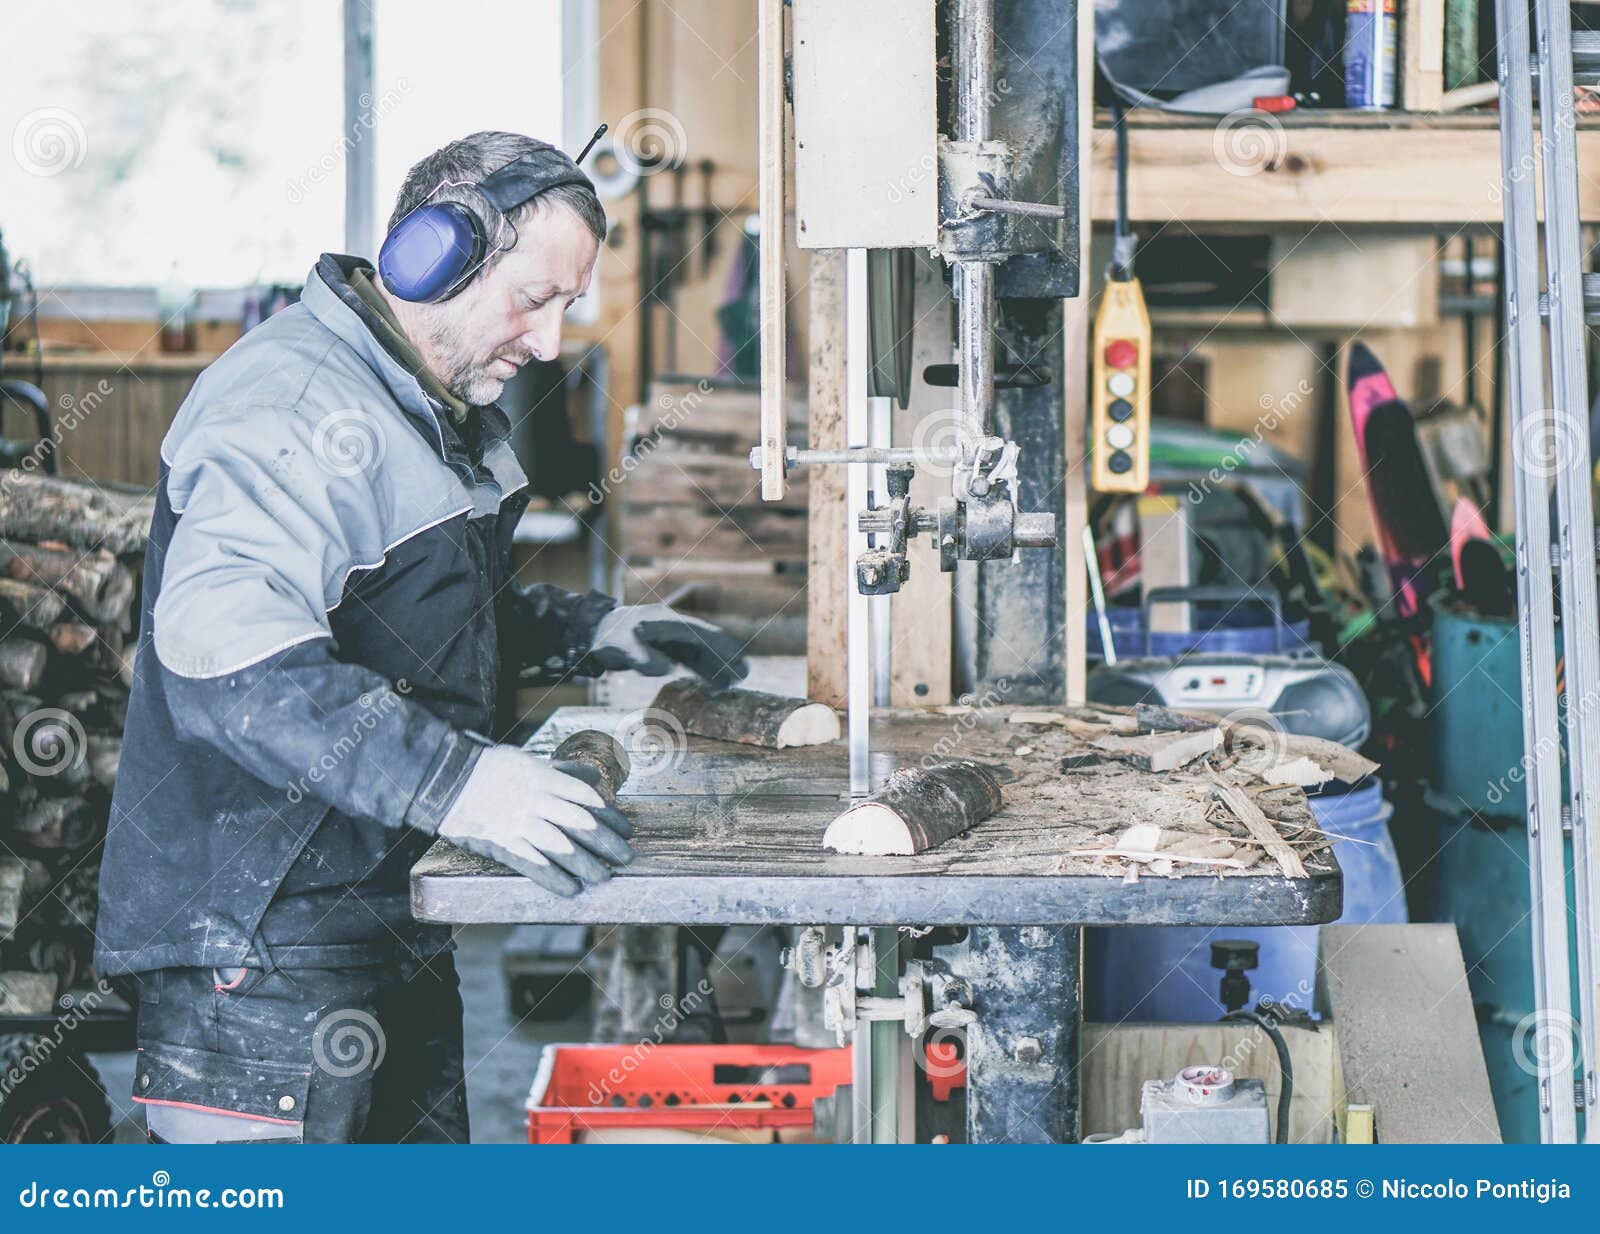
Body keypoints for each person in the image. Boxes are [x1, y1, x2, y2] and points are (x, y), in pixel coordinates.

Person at [94, 131, 747, 1143]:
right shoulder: (293, 408)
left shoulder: (426, 406)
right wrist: (462, 784)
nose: (547, 342)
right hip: (258, 951)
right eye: (536, 298)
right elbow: (228, 671)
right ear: (429, 255)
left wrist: (598, 628)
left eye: (567, 307)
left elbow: (412, 628)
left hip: (381, 912)